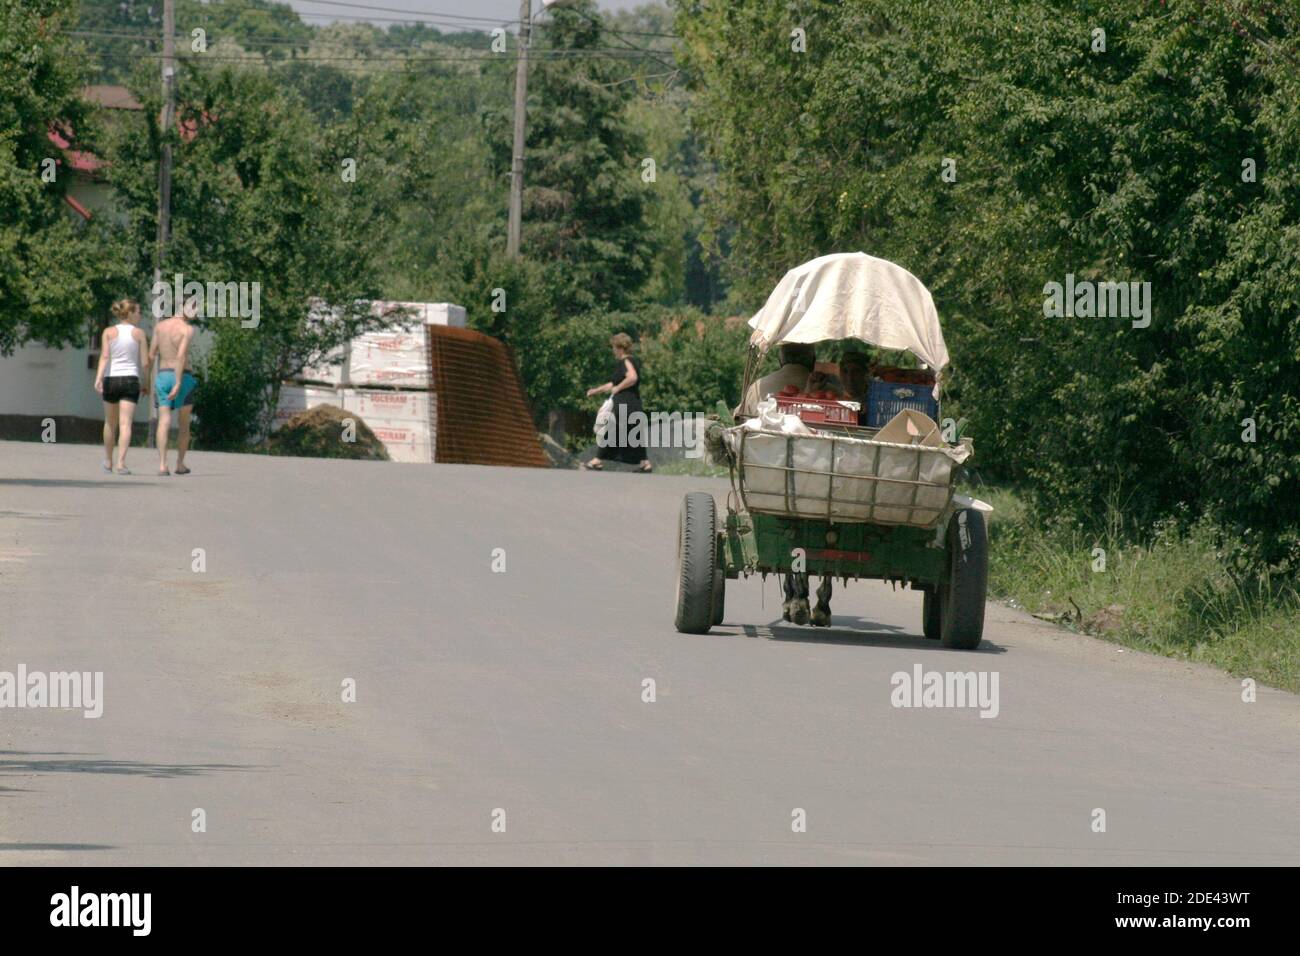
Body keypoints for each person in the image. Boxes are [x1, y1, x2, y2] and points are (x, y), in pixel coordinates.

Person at [93, 299, 148, 475]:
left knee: (110, 422)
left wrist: (99, 377)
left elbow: (105, 356)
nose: (140, 315)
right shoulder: (139, 334)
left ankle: (108, 461)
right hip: (130, 379)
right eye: (138, 312)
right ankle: (121, 464)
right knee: (126, 423)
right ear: (130, 313)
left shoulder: (108, 332)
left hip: (111, 379)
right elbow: (145, 362)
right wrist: (146, 382)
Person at [584, 332, 652, 473]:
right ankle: (644, 462)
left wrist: (618, 388)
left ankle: (597, 460)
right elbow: (613, 383)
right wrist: (596, 390)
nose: (613, 350)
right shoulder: (631, 361)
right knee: (631, 432)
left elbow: (632, 378)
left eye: (614, 347)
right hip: (631, 402)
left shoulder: (625, 361)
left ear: (620, 348)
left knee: (614, 429)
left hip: (626, 402)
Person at [149, 297, 198, 476]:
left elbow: (151, 353)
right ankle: (180, 463)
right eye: (193, 307)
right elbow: (181, 356)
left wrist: (147, 380)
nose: (196, 311)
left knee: (164, 420)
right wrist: (177, 381)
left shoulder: (160, 327)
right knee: (184, 423)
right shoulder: (187, 329)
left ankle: (162, 465)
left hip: (162, 375)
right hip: (183, 376)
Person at [736, 342, 816, 418]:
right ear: (813, 361)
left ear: (780, 359)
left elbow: (738, 418)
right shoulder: (825, 389)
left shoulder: (757, 387)